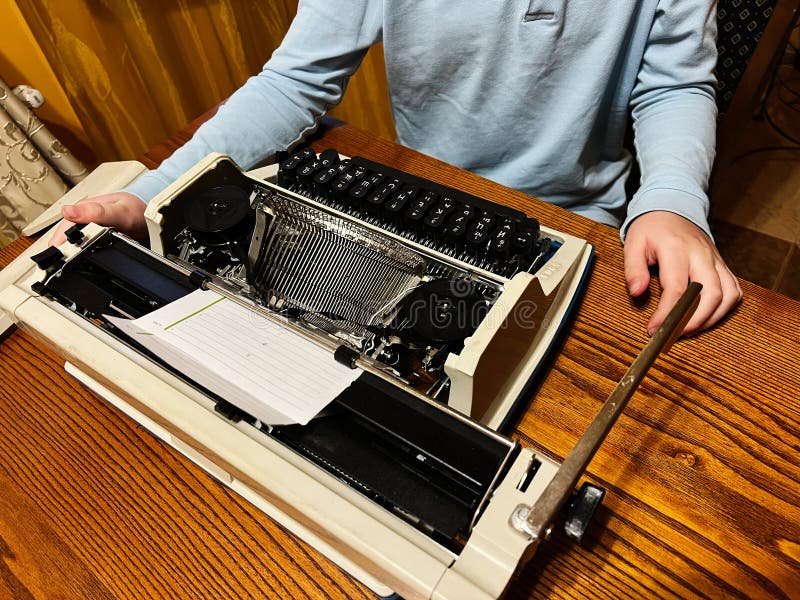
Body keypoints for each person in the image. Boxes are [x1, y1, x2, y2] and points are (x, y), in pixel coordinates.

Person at [50, 0, 741, 336]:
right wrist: (150, 192)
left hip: (578, 224)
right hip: (410, 208)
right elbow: (293, 83)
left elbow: (676, 84)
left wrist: (672, 200)